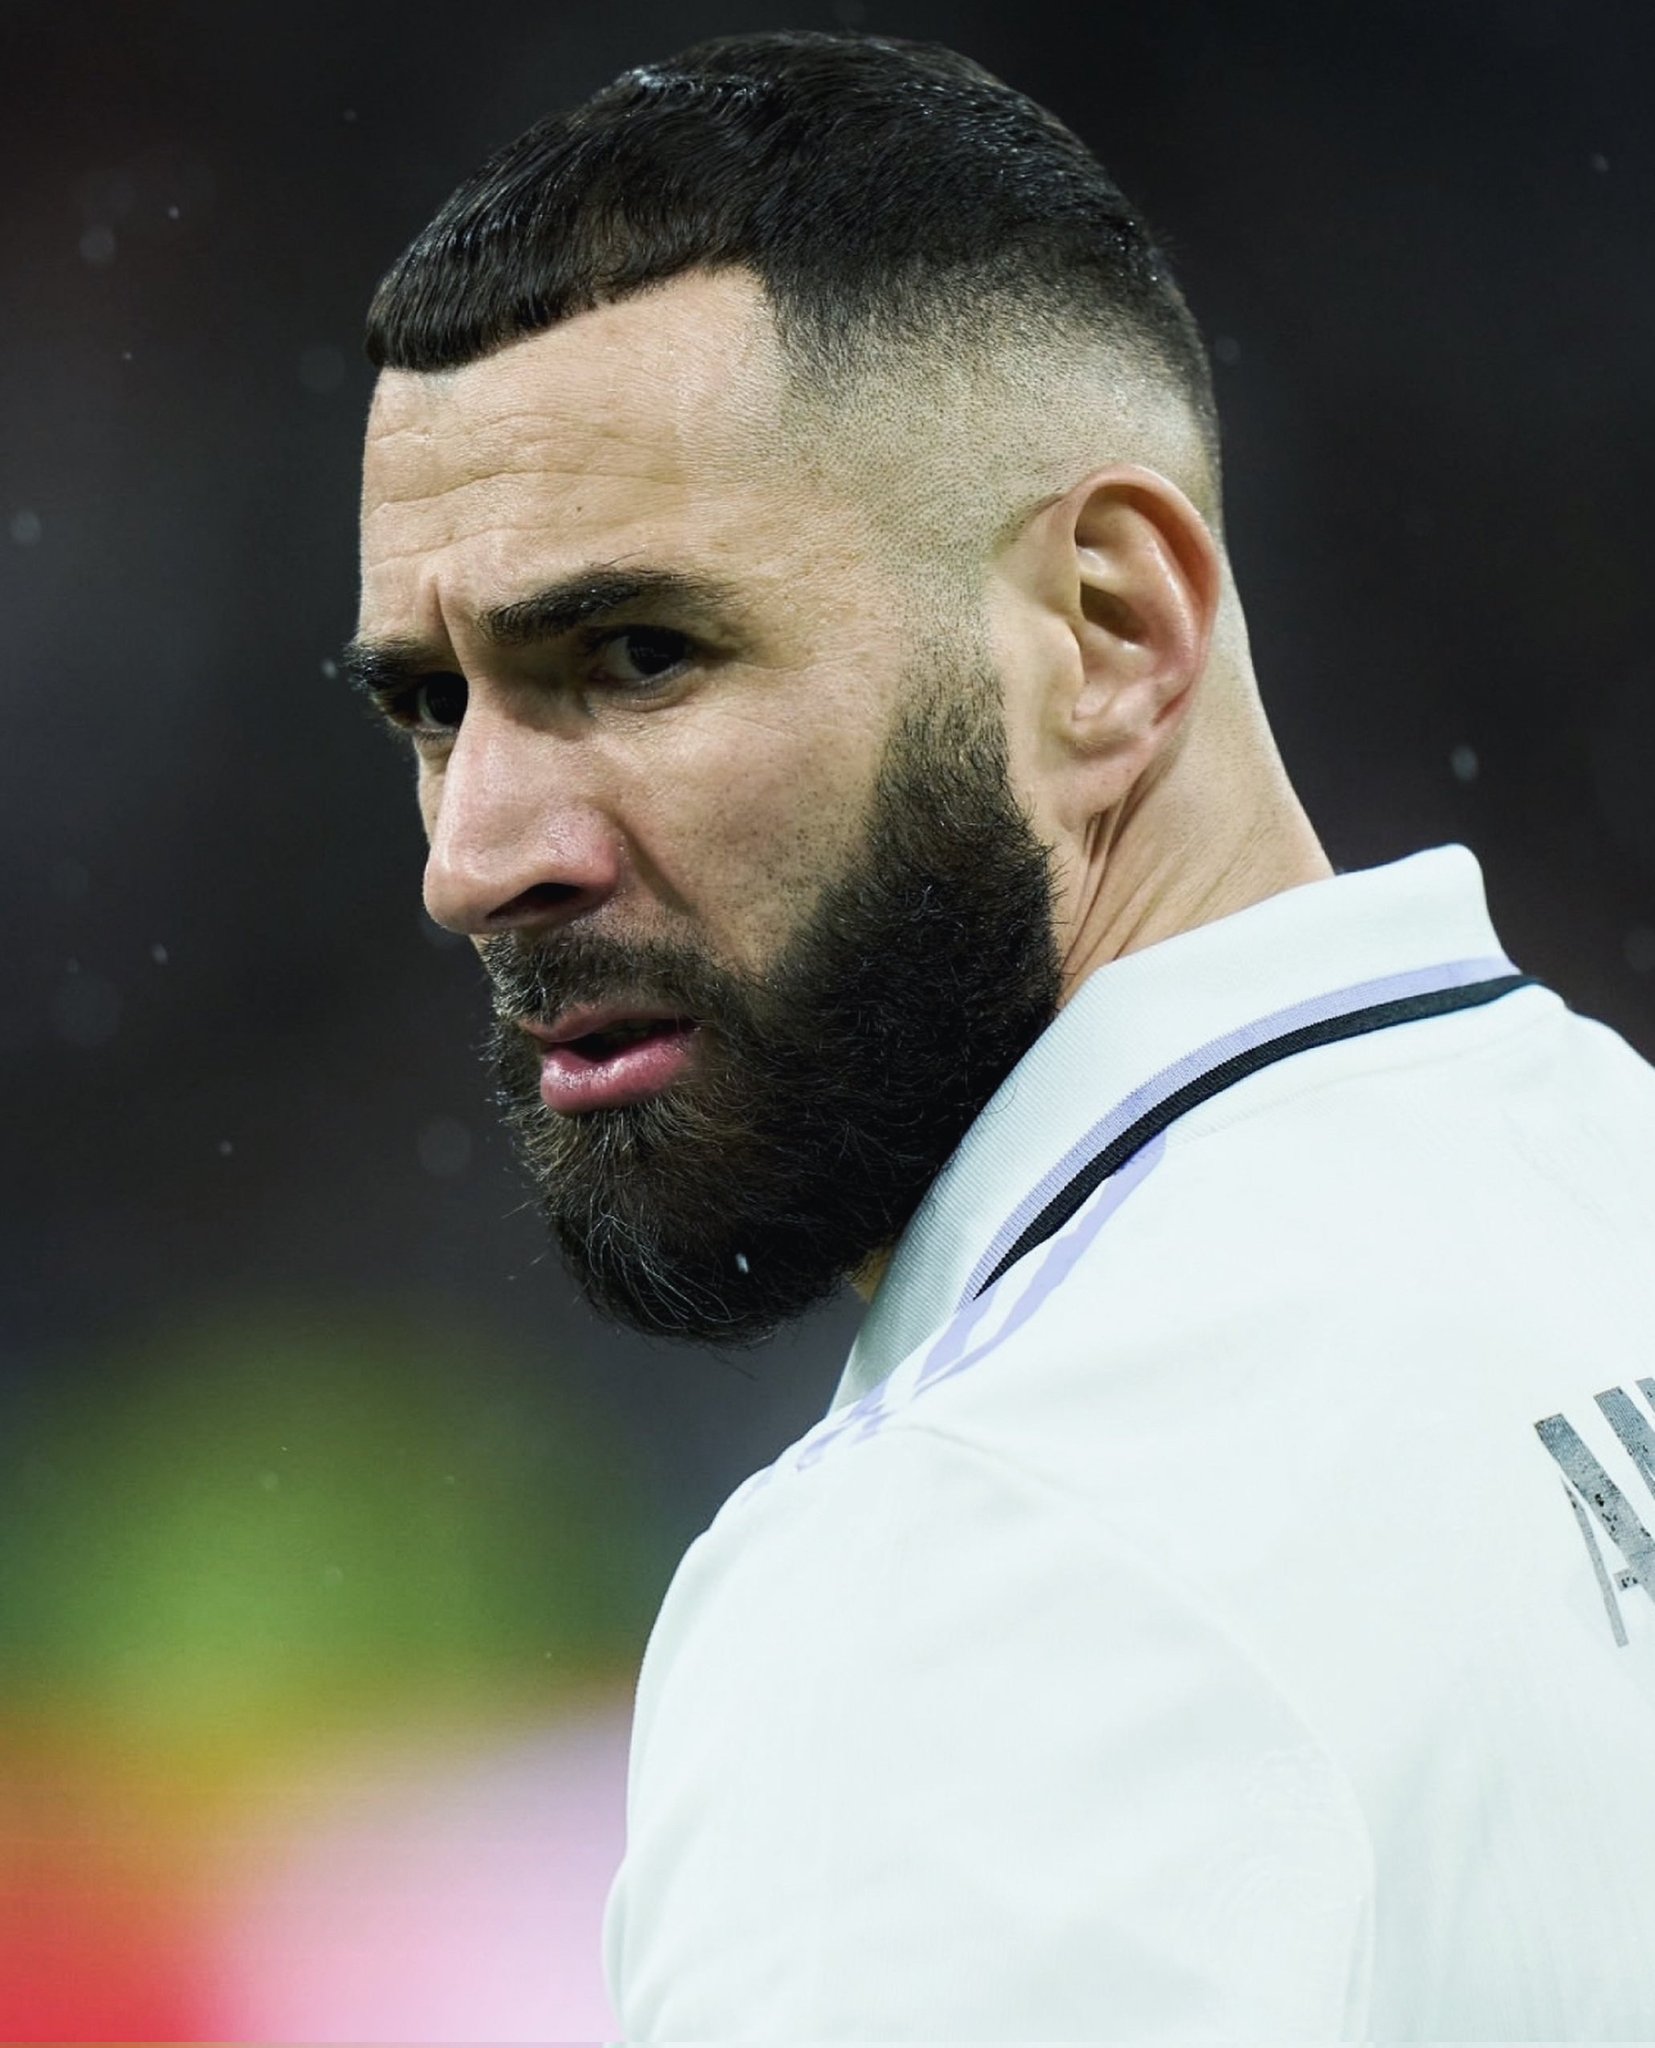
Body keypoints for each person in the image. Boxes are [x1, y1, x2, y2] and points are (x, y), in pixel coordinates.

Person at [347, 30, 1655, 2039]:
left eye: (636, 653)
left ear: (1110, 634)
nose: (480, 853)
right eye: (435, 705)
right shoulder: (1601, 1175)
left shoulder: (967, 1590)